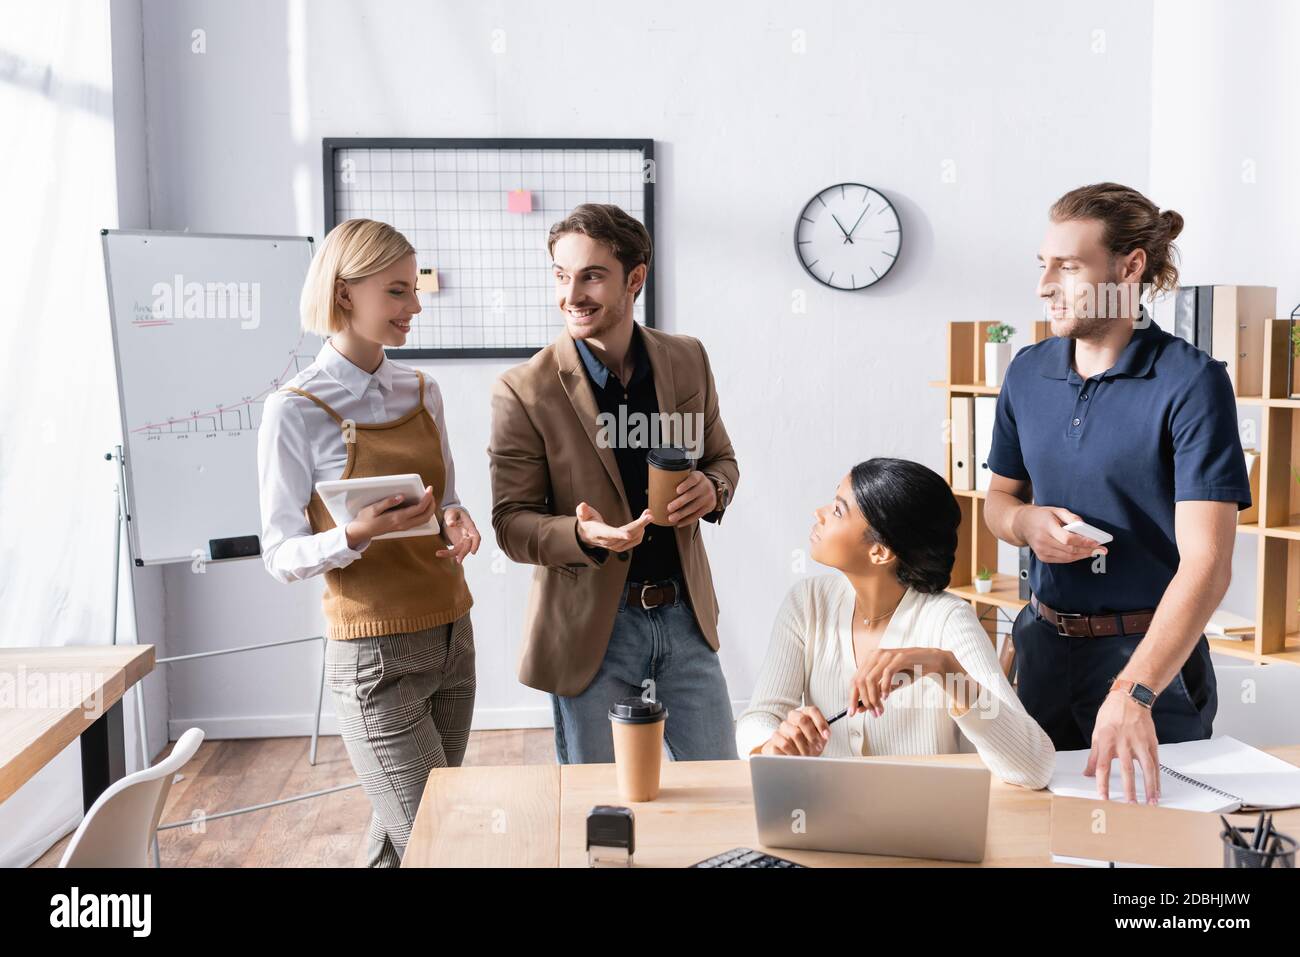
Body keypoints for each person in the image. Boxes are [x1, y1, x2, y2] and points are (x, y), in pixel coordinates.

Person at [984, 183, 1252, 804]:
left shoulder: (1192, 383)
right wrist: (1026, 525)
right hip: (1041, 652)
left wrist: (1134, 691)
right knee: (1032, 837)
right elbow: (997, 502)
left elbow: (1208, 565)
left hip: (1150, 664)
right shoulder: (1027, 371)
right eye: (1043, 264)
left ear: (1129, 267)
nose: (1045, 284)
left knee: (1155, 861)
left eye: (1069, 266)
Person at [256, 218, 481, 867]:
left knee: (403, 835)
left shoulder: (421, 390)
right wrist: (352, 535)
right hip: (373, 659)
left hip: (452, 636)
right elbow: (280, 553)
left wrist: (458, 520)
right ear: (346, 291)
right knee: (440, 844)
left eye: (414, 291)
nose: (414, 307)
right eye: (399, 291)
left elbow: (449, 498)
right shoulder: (294, 409)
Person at [488, 203, 740, 764]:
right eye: (561, 275)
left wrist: (713, 487)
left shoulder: (688, 358)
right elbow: (511, 523)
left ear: (635, 278)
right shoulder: (523, 390)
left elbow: (722, 459)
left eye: (591, 276)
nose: (571, 294)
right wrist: (582, 537)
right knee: (604, 818)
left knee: (719, 789)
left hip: (685, 621)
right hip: (591, 635)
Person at [735, 459, 1055, 790]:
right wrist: (772, 745)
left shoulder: (948, 620)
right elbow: (758, 718)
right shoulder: (808, 603)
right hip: (825, 818)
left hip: (924, 829)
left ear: (879, 552)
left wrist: (946, 669)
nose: (819, 512)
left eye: (838, 510)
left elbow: (1035, 766)